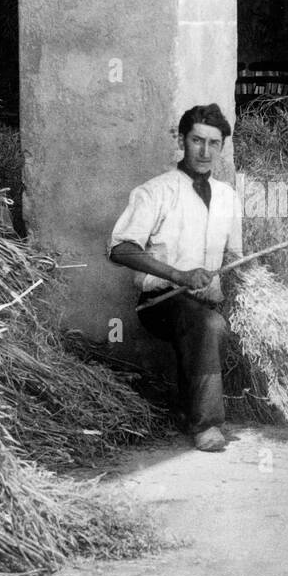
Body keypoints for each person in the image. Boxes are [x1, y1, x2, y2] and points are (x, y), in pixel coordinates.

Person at [108, 104, 242, 453]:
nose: (204, 151)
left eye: (214, 143)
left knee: (211, 320)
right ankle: (206, 425)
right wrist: (179, 274)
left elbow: (234, 257)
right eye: (197, 140)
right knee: (208, 325)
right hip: (160, 301)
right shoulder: (155, 191)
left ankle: (186, 408)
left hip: (207, 299)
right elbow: (119, 249)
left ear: (222, 146)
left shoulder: (228, 197)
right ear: (182, 140)